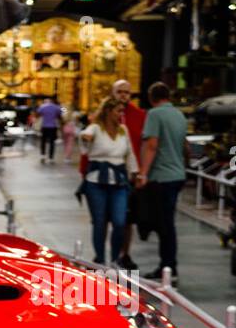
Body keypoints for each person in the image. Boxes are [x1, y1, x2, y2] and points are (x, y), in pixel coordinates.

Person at [79, 96, 139, 265]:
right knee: (100, 222)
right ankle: (100, 259)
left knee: (120, 221)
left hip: (119, 181)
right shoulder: (96, 128)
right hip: (96, 181)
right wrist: (85, 137)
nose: (121, 114)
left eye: (122, 111)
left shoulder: (123, 130)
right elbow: (85, 137)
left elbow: (130, 153)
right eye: (118, 111)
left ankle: (114, 259)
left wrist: (135, 172)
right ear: (107, 111)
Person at [138, 82, 189, 281]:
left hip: (161, 176)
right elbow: (185, 146)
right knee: (168, 222)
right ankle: (168, 264)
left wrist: (143, 173)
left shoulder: (155, 114)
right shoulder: (179, 115)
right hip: (177, 174)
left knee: (164, 224)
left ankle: (168, 266)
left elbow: (151, 144)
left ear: (152, 98)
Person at [111, 78, 147, 270]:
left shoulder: (140, 115)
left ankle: (125, 253)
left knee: (126, 218)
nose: (123, 95)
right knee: (108, 218)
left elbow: (144, 145)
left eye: (127, 92)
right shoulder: (104, 115)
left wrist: (141, 171)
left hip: (130, 173)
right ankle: (107, 255)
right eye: (120, 91)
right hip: (107, 173)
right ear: (113, 93)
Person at [35, 95, 61, 164]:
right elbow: (60, 114)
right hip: (53, 126)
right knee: (52, 142)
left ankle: (43, 155)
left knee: (43, 141)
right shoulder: (56, 107)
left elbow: (38, 113)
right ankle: (51, 158)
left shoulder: (43, 107)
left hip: (44, 126)